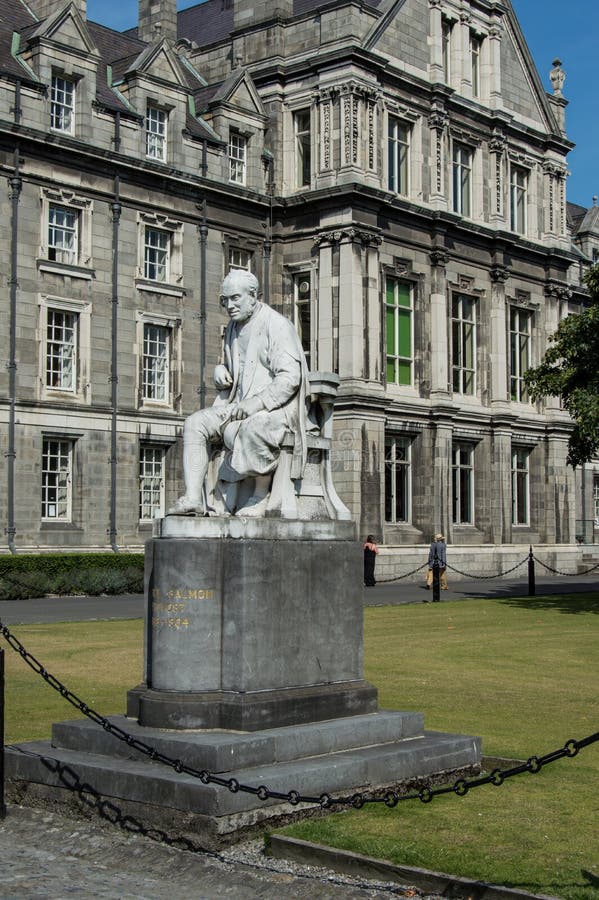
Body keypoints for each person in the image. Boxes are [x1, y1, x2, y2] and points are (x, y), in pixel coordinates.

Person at [168, 269, 309, 517]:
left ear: (253, 296)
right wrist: (221, 370)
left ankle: (260, 495)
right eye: (225, 300)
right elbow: (238, 369)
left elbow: (290, 378)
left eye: (235, 298)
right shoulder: (233, 327)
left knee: (254, 427)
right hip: (237, 405)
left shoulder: (277, 325)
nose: (229, 306)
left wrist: (258, 403)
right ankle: (193, 499)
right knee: (194, 423)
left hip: (275, 409)